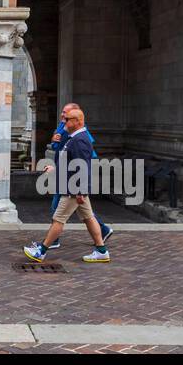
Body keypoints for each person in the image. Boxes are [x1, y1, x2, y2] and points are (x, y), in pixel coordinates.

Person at [24, 105, 111, 263]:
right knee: (89, 217)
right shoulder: (74, 138)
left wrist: (79, 191)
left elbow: (82, 167)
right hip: (74, 187)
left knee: (58, 219)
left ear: (77, 121)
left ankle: (41, 251)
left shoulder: (80, 140)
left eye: (67, 120)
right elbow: (70, 163)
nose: (63, 122)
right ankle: (101, 250)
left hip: (73, 188)